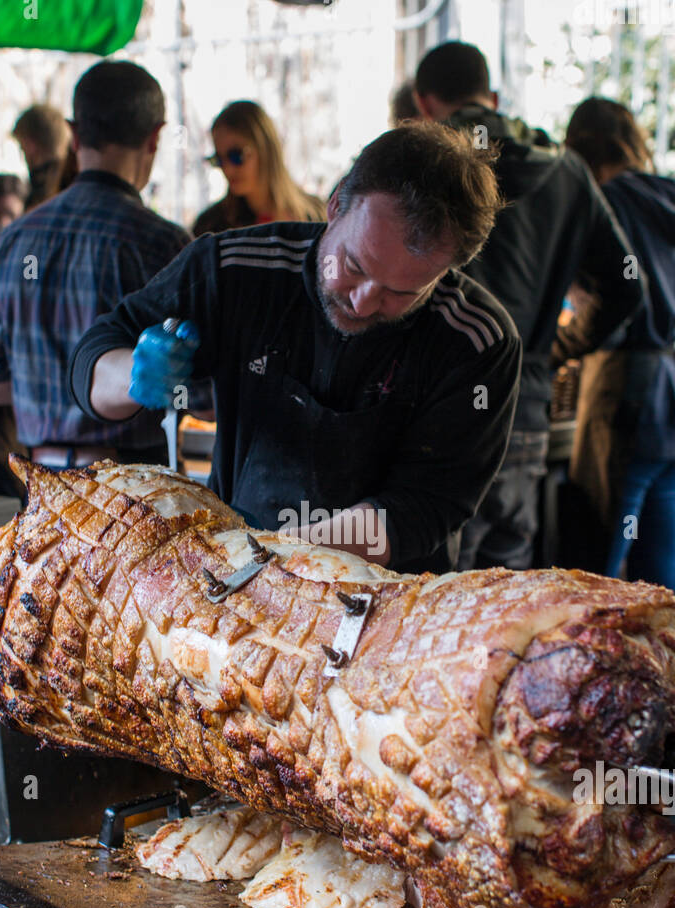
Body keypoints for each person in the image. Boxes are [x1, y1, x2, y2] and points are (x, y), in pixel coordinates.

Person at [71, 122, 522, 575]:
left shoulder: (477, 342)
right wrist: (131, 373)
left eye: (401, 292)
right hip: (234, 584)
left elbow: (425, 506)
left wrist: (269, 554)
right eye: (353, 265)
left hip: (387, 598)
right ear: (335, 204)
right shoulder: (235, 270)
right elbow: (93, 358)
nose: (363, 301)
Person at [412, 41, 644, 570]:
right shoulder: (568, 173)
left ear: (424, 103)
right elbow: (627, 285)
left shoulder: (417, 160)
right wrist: (553, 350)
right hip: (527, 412)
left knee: (439, 602)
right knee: (509, 597)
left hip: (441, 413)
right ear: (491, 95)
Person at [0, 61, 189, 468]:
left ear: (73, 136)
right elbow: (196, 385)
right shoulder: (165, 244)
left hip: (41, 488)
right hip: (134, 494)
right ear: (155, 138)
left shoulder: (13, 242)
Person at [563, 97, 675, 595]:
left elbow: (604, 310)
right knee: (661, 574)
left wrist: (558, 343)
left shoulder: (604, 201)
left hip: (623, 396)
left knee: (596, 575)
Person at [193, 101, 325, 236]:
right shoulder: (211, 227)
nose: (228, 170)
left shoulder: (316, 215)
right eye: (218, 160)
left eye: (236, 156)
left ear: (266, 150)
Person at [12, 104, 74, 211]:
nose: (23, 157)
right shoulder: (76, 182)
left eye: (22, 147)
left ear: (30, 145)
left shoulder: (40, 197)